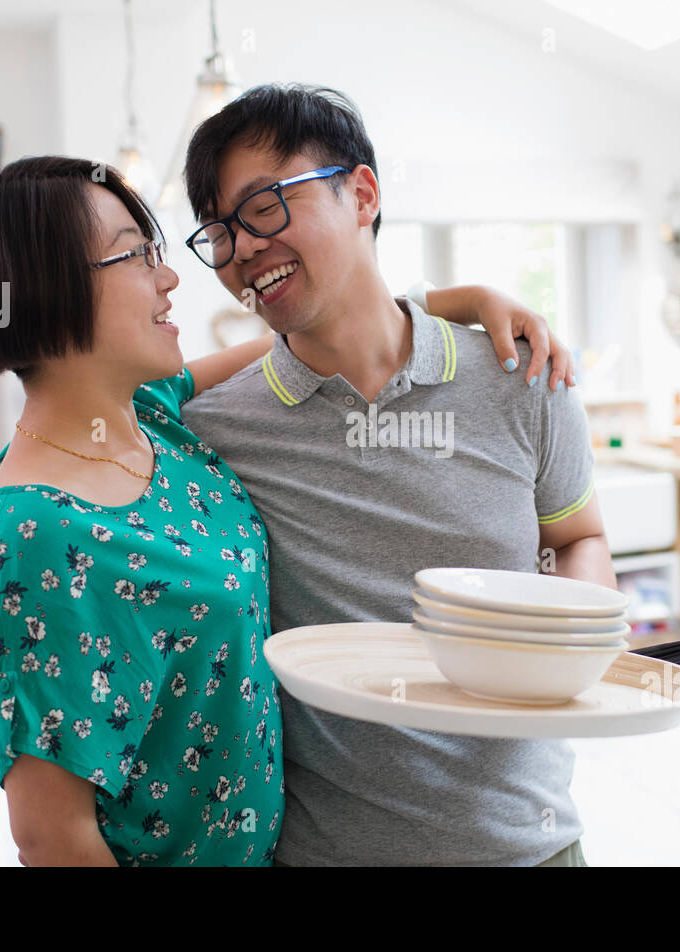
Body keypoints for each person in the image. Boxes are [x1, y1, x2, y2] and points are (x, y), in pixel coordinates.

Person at [0, 155, 573, 866]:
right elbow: (52, 838)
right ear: (44, 290)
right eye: (136, 256)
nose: (169, 278)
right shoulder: (38, 534)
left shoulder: (150, 415)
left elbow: (316, 333)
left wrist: (457, 300)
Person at [178, 84, 617, 866]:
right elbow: (105, 400)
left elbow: (578, 536)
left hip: (533, 842)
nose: (240, 248)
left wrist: (574, 641)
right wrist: (443, 297)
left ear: (363, 194)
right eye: (218, 231)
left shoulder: (523, 374)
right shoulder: (218, 429)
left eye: (264, 207)